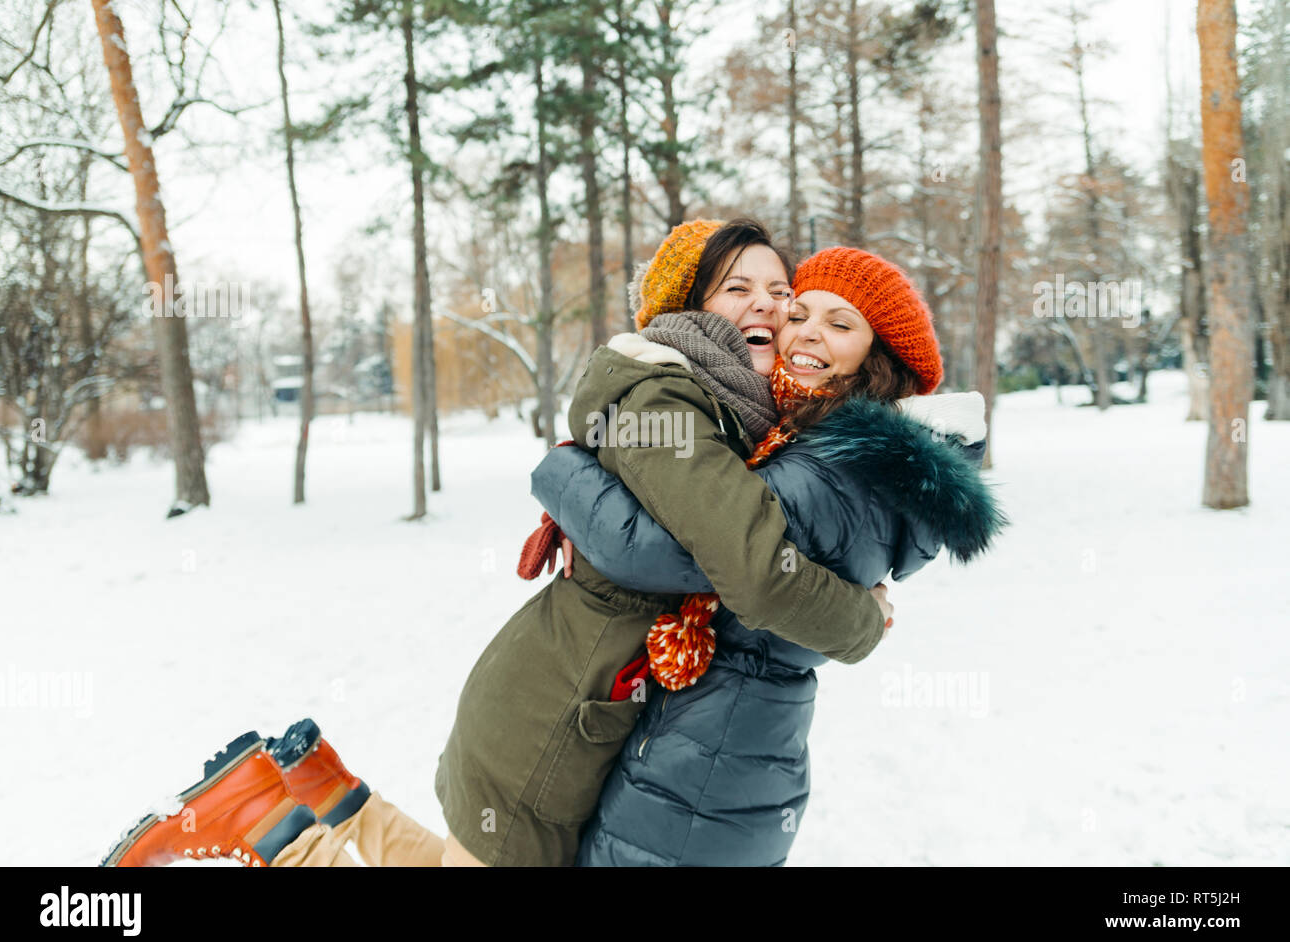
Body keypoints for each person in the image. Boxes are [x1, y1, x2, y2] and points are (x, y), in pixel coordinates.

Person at [99, 220, 893, 868]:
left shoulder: (736, 415)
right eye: (736, 287)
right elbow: (744, 561)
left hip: (569, 711)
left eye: (778, 290)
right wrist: (861, 617)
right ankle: (270, 828)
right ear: (687, 305)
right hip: (548, 723)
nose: (766, 306)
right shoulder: (668, 393)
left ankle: (335, 799)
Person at [532, 245, 1007, 865]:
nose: (807, 333)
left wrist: (564, 470)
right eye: (802, 312)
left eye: (840, 324)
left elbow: (660, 550)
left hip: (706, 765)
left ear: (879, 354)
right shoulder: (812, 437)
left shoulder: (832, 467)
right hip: (729, 754)